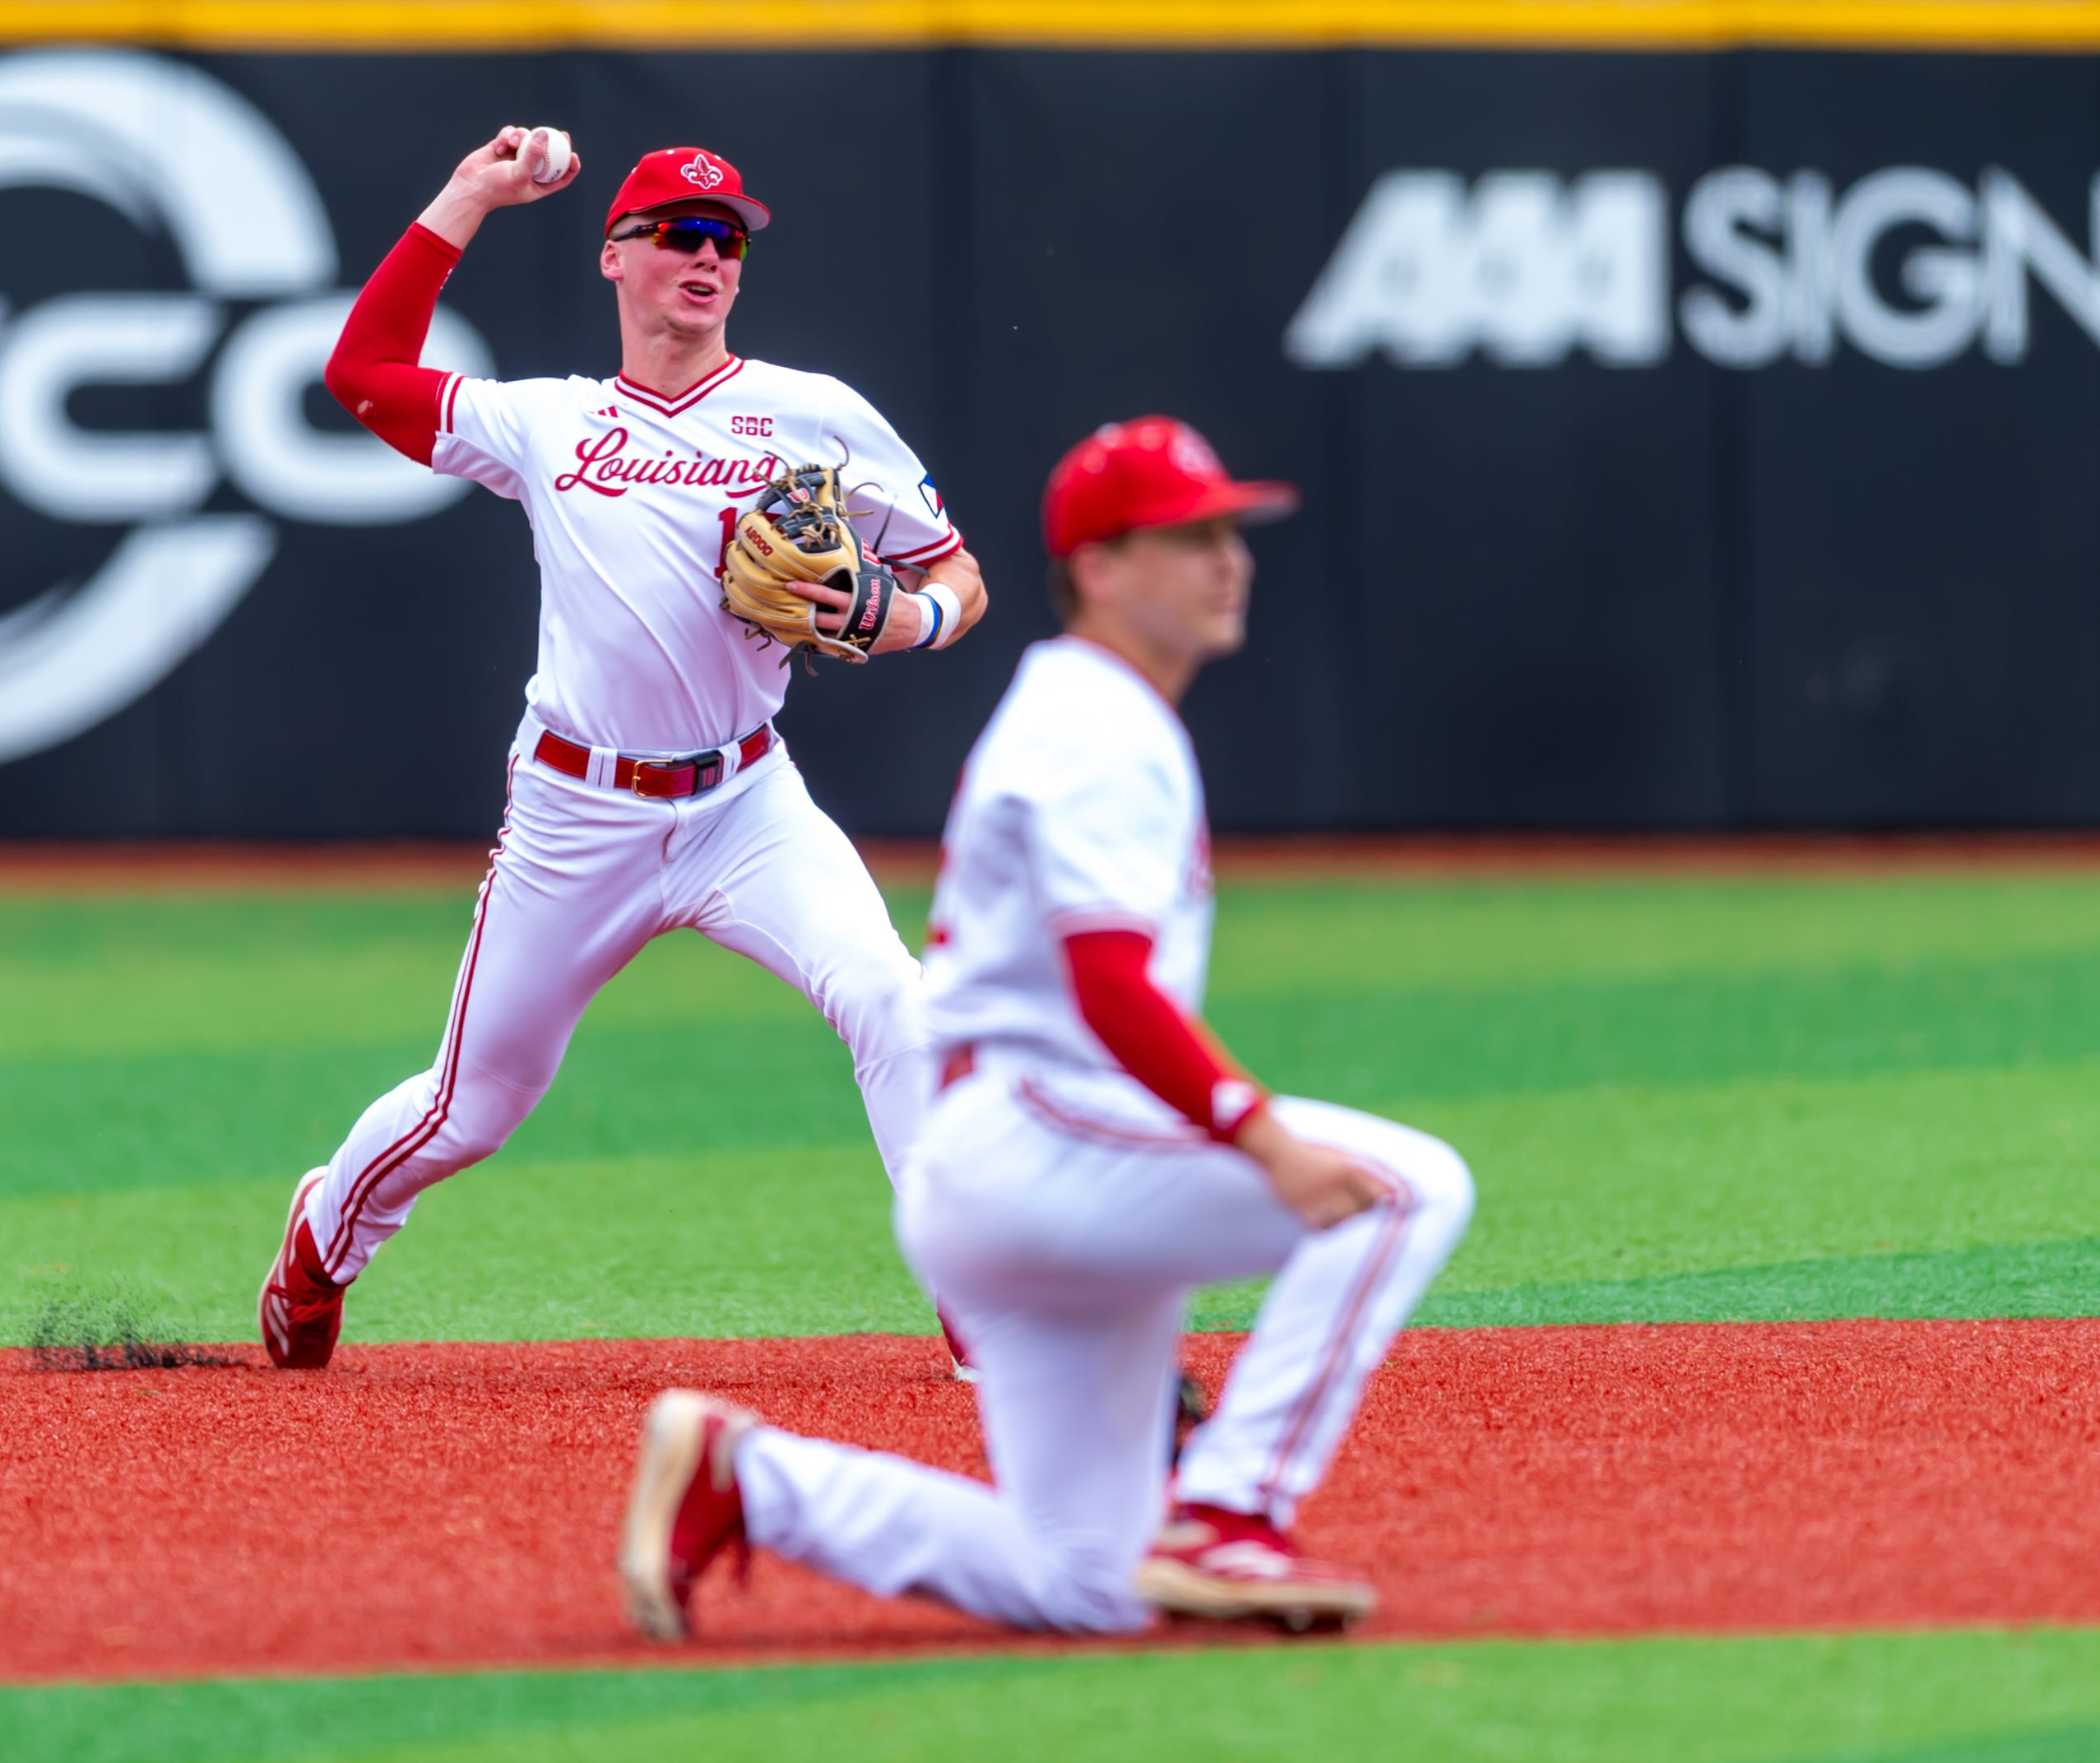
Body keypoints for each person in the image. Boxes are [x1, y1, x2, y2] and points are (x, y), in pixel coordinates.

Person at [617, 416, 1474, 1639]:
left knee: (1082, 1577)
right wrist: (1262, 1137)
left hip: (1011, 1172)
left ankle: (754, 1481)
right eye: (1187, 539)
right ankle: (1231, 1515)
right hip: (1044, 1145)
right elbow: (1112, 985)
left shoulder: (1084, 707)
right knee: (1408, 1188)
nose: (1227, 560)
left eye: (1230, 533)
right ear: (1097, 570)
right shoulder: (1100, 729)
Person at [261, 129, 988, 1368]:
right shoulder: (546, 423)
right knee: (471, 1109)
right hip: (575, 814)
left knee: (893, 1000)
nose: (708, 258)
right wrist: (471, 193)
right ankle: (326, 1235)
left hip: (747, 804)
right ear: (616, 257)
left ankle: (983, 1307)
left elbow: (959, 575)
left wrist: (907, 616)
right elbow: (362, 373)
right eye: (679, 236)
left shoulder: (815, 414)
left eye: (729, 242)